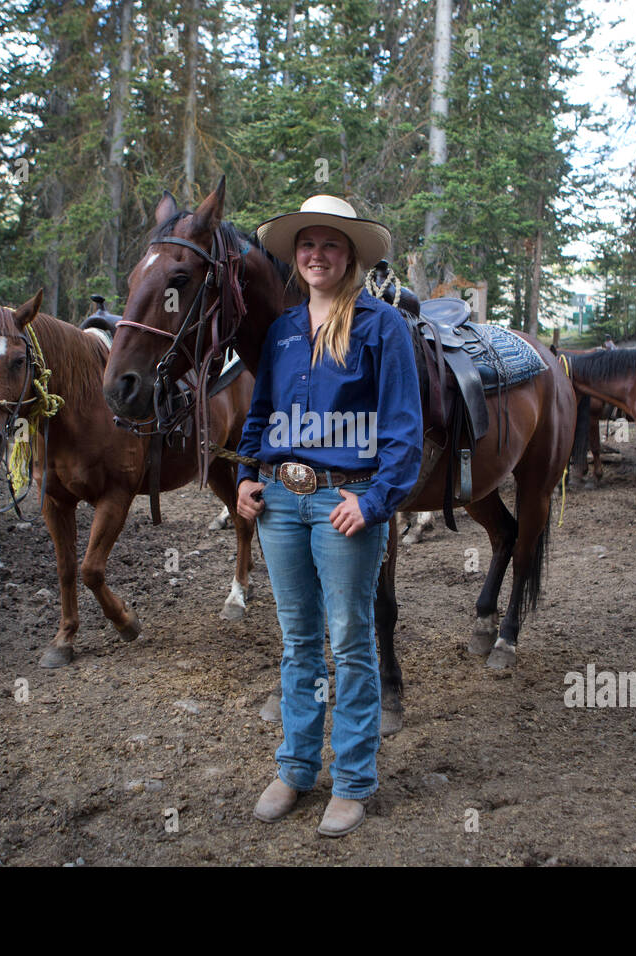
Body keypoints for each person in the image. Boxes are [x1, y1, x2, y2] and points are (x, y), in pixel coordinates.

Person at [236, 195, 422, 837]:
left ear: (351, 256)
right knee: (297, 641)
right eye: (307, 245)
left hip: (346, 502)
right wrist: (245, 476)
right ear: (296, 256)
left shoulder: (381, 327)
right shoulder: (282, 331)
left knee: (349, 637)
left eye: (331, 245)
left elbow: (404, 430)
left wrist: (374, 502)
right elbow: (259, 416)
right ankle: (294, 768)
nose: (317, 255)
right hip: (279, 504)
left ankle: (352, 780)